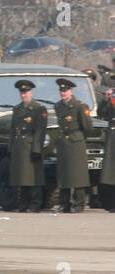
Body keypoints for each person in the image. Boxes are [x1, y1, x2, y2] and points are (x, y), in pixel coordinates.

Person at [8, 79, 49, 213]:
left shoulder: (38, 109)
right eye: (21, 92)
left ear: (31, 92)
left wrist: (37, 148)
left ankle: (35, 204)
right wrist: (11, 148)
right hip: (19, 146)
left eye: (26, 92)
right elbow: (13, 130)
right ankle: (23, 203)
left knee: (33, 177)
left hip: (31, 145)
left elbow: (40, 130)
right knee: (21, 177)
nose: (23, 95)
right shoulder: (18, 109)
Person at [53, 77, 92, 213]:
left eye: (66, 90)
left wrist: (79, 138)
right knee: (64, 175)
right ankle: (64, 203)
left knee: (78, 175)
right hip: (63, 142)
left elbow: (87, 127)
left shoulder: (80, 106)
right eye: (61, 90)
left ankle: (78, 203)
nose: (63, 93)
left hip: (76, 142)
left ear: (71, 91)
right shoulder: (58, 106)